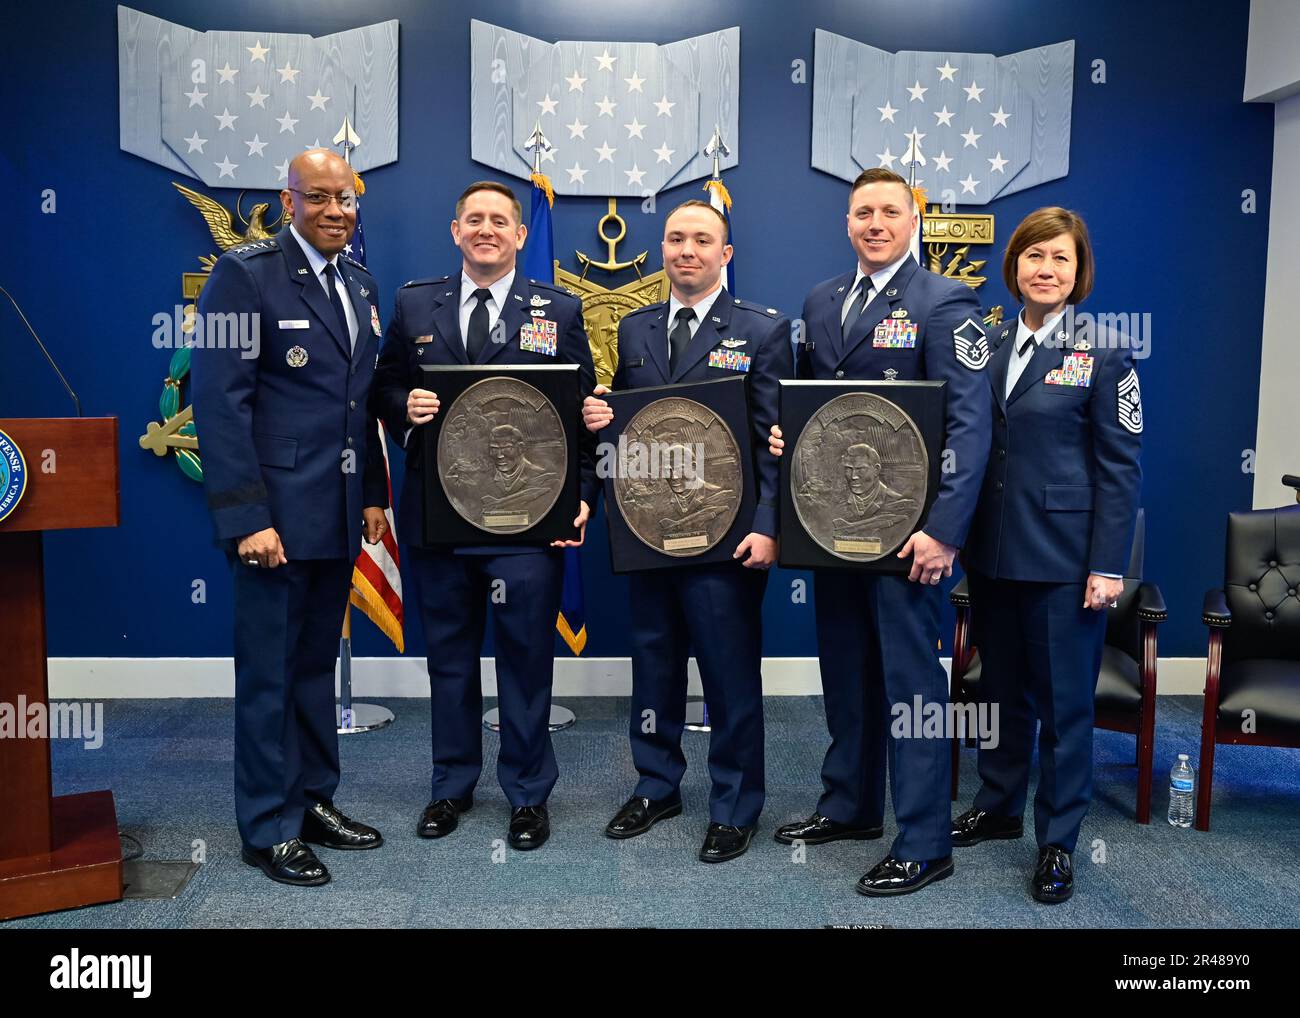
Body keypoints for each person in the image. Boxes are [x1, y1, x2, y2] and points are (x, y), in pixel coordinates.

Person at [769, 167, 991, 895]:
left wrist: (944, 532)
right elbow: (814, 411)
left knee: (912, 693)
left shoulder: (946, 301)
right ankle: (851, 806)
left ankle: (925, 841)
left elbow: (969, 424)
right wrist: (786, 440)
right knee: (847, 677)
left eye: (889, 211)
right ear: (848, 222)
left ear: (914, 217)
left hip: (908, 540)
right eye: (862, 212)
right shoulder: (822, 300)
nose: (874, 223)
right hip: (832, 532)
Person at [370, 181, 597, 851]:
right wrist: (402, 406)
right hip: (437, 517)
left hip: (528, 519)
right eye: (476, 220)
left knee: (526, 660)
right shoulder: (416, 302)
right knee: (450, 659)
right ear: (456, 230)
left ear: (521, 235)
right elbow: (382, 385)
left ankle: (528, 796)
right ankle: (451, 786)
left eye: (501, 220)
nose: (488, 230)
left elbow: (582, 414)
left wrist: (583, 491)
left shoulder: (558, 308)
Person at [192, 149, 389, 887]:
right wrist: (247, 518)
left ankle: (312, 801)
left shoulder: (361, 282)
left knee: (311, 669)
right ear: (289, 199)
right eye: (320, 198)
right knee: (271, 676)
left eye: (347, 198)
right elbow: (218, 404)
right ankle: (267, 825)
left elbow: (357, 406)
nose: (336, 210)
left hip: (335, 513)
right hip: (272, 519)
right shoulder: (243, 275)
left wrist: (371, 494)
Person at [582, 199, 792, 862]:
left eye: (703, 240)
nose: (686, 250)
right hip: (647, 531)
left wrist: (768, 525)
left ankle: (734, 805)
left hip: (725, 538)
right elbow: (628, 426)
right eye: (675, 239)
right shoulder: (635, 329)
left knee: (729, 675)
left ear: (725, 254)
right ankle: (657, 784)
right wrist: (599, 421)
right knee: (654, 664)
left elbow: (775, 444)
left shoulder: (761, 331)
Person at [953, 207, 1142, 903]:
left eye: (1060, 259)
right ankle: (999, 806)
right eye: (1035, 257)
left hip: (1066, 564)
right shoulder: (988, 343)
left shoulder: (1108, 349)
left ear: (1078, 271)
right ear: (1015, 266)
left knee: (1064, 710)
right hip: (993, 556)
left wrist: (1106, 565)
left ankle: (1058, 841)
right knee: (1000, 696)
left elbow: (1120, 467)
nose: (1046, 270)